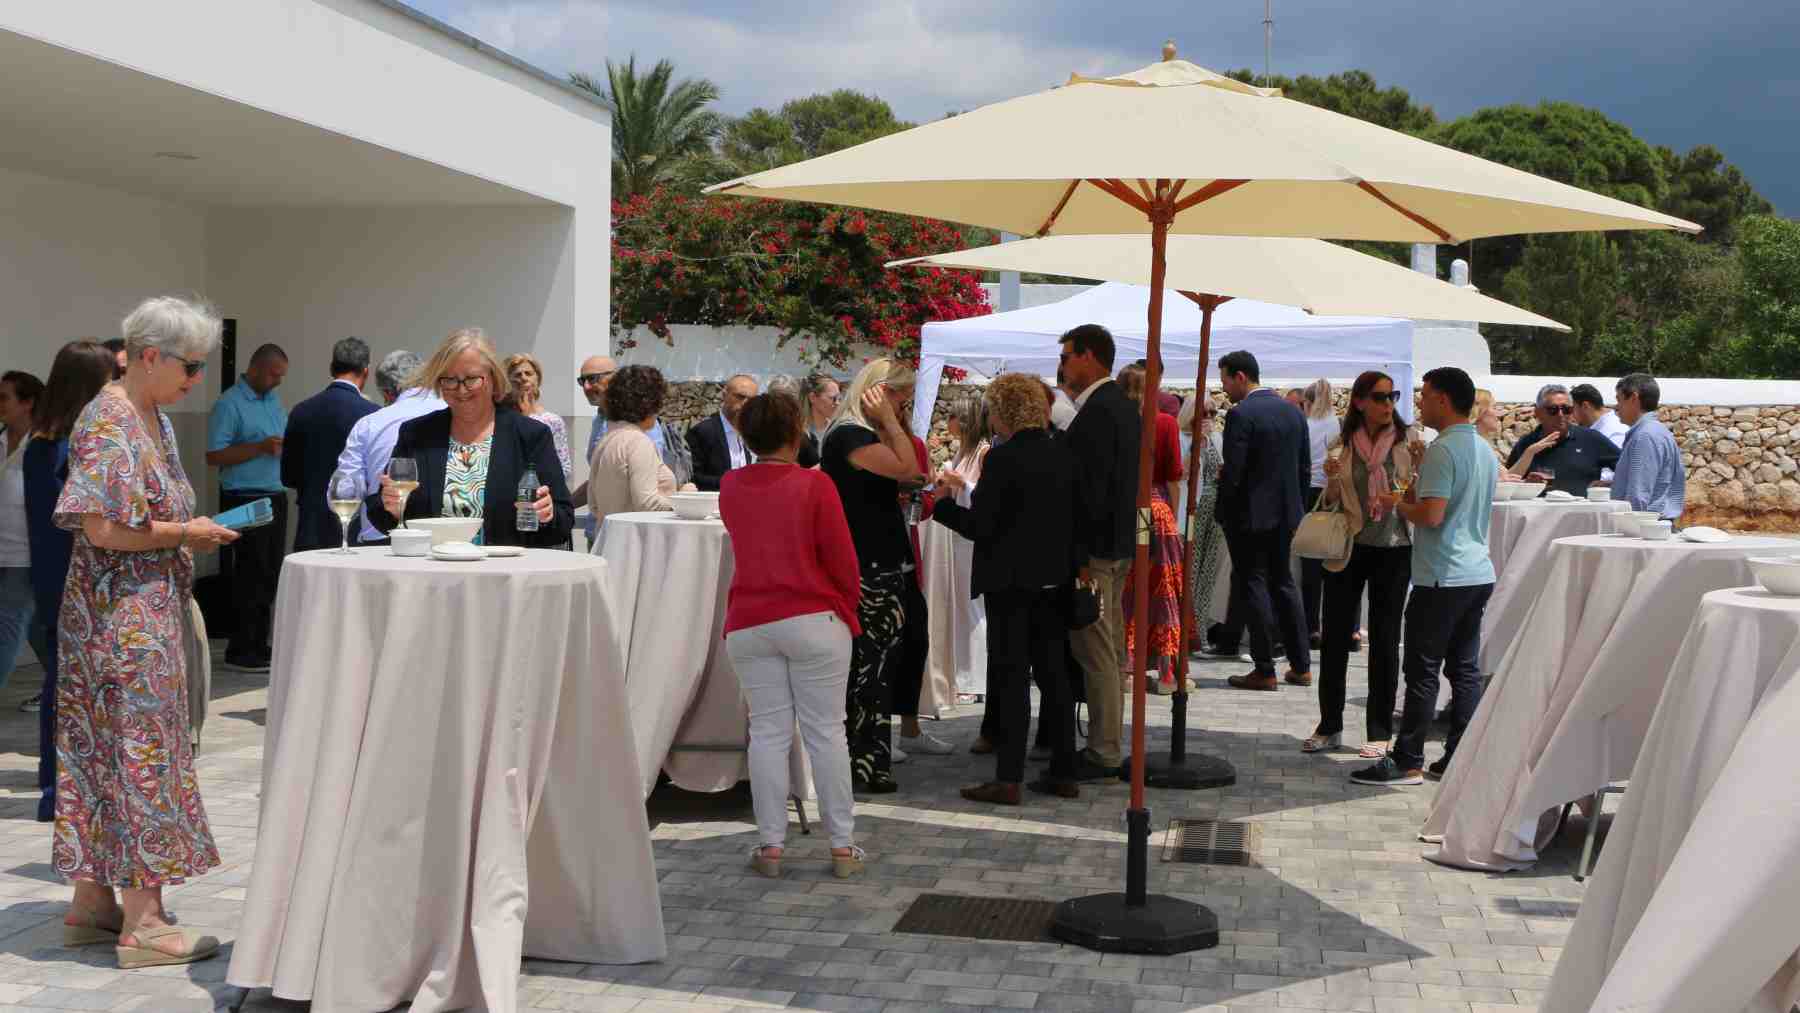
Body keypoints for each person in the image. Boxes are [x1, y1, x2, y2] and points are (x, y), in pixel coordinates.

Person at [55, 295, 240, 968]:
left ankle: (94, 903)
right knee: (141, 757)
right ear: (152, 355)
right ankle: (145, 921)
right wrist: (186, 532)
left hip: (131, 617)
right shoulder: (110, 418)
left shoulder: (146, 413)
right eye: (191, 365)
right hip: (123, 625)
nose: (198, 379)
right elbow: (102, 527)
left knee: (103, 754)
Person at [718, 393, 865, 881]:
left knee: (768, 733)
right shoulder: (815, 485)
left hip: (750, 619)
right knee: (827, 733)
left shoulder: (730, 485)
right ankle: (842, 846)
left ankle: (771, 846)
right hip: (813, 616)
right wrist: (847, 606)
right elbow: (843, 560)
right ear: (797, 431)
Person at [931, 373, 1081, 804]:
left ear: (1003, 412)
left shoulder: (1003, 459)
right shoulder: (1063, 453)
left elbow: (982, 526)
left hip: (1012, 584)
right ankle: (1064, 770)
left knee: (1013, 678)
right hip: (1054, 580)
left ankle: (1009, 777)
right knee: (1054, 676)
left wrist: (941, 507)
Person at [1353, 366, 1498, 786]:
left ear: (1443, 400)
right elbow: (1443, 503)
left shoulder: (1444, 449)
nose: (1418, 402)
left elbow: (1431, 515)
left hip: (1442, 575)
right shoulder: (1482, 449)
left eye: (1425, 394)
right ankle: (1458, 756)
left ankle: (1407, 758)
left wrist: (1397, 505)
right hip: (1475, 570)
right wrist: (1414, 482)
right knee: (1464, 669)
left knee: (1422, 670)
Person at [819, 359, 921, 793]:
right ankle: (867, 763)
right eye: (899, 396)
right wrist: (890, 423)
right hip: (869, 569)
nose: (903, 406)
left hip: (873, 564)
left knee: (872, 667)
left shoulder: (853, 434)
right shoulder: (851, 436)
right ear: (879, 393)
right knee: (870, 670)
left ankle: (864, 758)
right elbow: (911, 471)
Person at [372, 329, 572, 546]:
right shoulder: (417, 434)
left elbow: (563, 521)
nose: (461, 390)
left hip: (503, 573)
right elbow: (383, 516)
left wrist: (546, 515)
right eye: (450, 380)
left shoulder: (530, 435)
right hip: (432, 573)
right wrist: (390, 508)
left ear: (494, 379)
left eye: (471, 379)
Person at [24, 341, 115, 820]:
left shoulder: (48, 443)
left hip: (58, 576)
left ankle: (57, 790)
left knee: (63, 683)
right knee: (65, 686)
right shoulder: (59, 448)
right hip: (70, 579)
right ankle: (56, 792)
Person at [1309, 371, 1415, 758]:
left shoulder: (1408, 442)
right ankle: (1329, 724)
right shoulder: (1342, 445)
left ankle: (1379, 730)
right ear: (1359, 401)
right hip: (1348, 545)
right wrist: (1333, 479)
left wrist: (1405, 487)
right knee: (1335, 636)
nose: (1388, 404)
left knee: (1385, 641)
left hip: (1393, 545)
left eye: (1392, 396)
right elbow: (1333, 499)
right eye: (1380, 397)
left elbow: (1416, 492)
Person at [1058, 324, 1139, 780]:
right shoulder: (1122, 408)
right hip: (1116, 546)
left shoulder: (1101, 411)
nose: (1064, 366)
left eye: (1068, 356)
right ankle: (1106, 743)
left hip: (1098, 553)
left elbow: (1092, 492)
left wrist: (1084, 558)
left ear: (1088, 357)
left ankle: (1105, 748)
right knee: (1107, 649)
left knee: (1099, 652)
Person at [1218, 350, 1314, 693]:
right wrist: (1297, 509)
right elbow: (1305, 468)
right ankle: (1301, 665)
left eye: (1226, 379)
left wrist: (1224, 511)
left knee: (1254, 584)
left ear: (1241, 377)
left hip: (1249, 516)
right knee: (1285, 583)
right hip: (1286, 514)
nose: (1224, 387)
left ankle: (1264, 666)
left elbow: (1234, 472)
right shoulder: (1294, 413)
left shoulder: (1241, 414)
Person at [205, 342, 288, 673]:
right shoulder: (229, 403)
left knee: (269, 572)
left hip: (274, 494)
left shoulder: (274, 401)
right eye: (273, 374)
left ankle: (259, 644)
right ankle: (240, 649)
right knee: (249, 572)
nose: (277, 380)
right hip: (243, 496)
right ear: (254, 368)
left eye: (281, 375)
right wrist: (258, 448)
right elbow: (214, 456)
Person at [885, 409, 951, 760]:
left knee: (914, 641)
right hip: (876, 558)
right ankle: (882, 732)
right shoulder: (864, 442)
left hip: (907, 557)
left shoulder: (914, 444)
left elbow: (921, 506)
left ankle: (909, 727)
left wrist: (925, 497)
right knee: (883, 648)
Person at [1117, 363, 1186, 695]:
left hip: (1125, 511)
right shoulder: (1164, 423)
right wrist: (1173, 517)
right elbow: (1173, 477)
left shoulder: (1117, 423)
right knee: (1164, 591)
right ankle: (1166, 672)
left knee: (1129, 589)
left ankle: (1128, 667)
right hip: (1155, 511)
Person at [925, 394, 989, 727]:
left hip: (970, 537)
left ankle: (975, 678)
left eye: (952, 416)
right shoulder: (964, 450)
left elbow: (980, 492)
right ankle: (963, 674)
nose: (947, 421)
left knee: (971, 606)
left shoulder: (982, 451)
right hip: (957, 534)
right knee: (962, 606)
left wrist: (959, 483)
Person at [335, 351, 443, 544]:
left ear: (387, 393)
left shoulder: (368, 424)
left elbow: (346, 488)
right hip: (443, 539)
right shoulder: (454, 415)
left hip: (380, 540)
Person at [281, 338, 378, 552]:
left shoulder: (301, 411)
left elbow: (288, 476)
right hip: (356, 528)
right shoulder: (373, 415)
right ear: (366, 371)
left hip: (311, 525)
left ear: (332, 368)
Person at [588, 365, 690, 527]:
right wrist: (684, 499)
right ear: (651, 403)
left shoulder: (606, 440)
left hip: (611, 537)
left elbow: (593, 505)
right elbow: (647, 504)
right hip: (638, 543)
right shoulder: (637, 442)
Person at [0, 370, 44, 697]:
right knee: (38, 629)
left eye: (4, 398)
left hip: (24, 555)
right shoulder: (0, 439)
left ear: (27, 403)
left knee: (8, 629)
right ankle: (62, 685)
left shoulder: (42, 447)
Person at [1178, 392, 1229, 652]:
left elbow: (1222, 471)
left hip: (1214, 510)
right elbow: (1180, 472)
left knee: (1208, 571)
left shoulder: (1216, 439)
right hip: (1193, 509)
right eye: (1204, 413)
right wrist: (1197, 442)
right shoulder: (1183, 439)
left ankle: (1201, 631)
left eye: (1212, 412)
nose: (1208, 418)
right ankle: (1187, 631)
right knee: (1191, 567)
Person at [1504, 383, 1618, 494]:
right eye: (1553, 409)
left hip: (1582, 512)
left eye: (1566, 409)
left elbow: (1627, 467)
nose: (1560, 414)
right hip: (1538, 512)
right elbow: (1508, 485)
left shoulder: (1592, 439)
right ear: (1538, 413)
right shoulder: (1527, 445)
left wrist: (1609, 484)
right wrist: (1526, 485)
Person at [1610, 373, 1686, 521]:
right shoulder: (1656, 431)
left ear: (1633, 398)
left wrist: (1625, 528)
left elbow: (1638, 495)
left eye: (1619, 400)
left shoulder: (1645, 436)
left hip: (1645, 527)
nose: (1616, 407)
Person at [1300, 378, 1337, 649]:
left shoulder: (1306, 425)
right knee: (1334, 559)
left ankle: (1311, 625)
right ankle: (1336, 625)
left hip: (1309, 492)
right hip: (1332, 493)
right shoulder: (1337, 424)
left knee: (1310, 564)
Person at [505, 353, 573, 479]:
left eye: (528, 373)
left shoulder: (552, 421)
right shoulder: (500, 418)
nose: (523, 378)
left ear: (537, 378)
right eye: (517, 375)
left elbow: (564, 467)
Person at [687, 374, 759, 491]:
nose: (745, 403)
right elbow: (693, 478)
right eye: (740, 397)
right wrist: (733, 482)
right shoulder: (703, 432)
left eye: (751, 400)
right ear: (724, 396)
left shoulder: (751, 433)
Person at [1571, 383, 1630, 447]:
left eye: (1572, 408)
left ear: (1585, 406)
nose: (1569, 414)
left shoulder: (1614, 433)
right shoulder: (1599, 428)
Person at [800, 372, 841, 464]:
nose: (838, 403)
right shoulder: (798, 433)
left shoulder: (839, 428)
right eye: (833, 398)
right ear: (813, 397)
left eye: (839, 398)